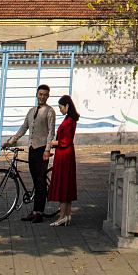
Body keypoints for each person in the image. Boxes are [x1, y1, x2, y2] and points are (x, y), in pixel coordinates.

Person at [4, 84, 56, 223]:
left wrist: (47, 150)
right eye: (40, 94)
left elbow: (51, 131)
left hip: (42, 149)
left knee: (40, 181)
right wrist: (11, 141)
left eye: (45, 94)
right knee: (35, 180)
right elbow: (24, 127)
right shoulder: (31, 111)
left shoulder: (50, 111)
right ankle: (34, 211)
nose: (42, 97)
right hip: (32, 148)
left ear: (48, 96)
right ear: (37, 94)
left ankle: (39, 212)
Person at [46, 94, 79, 226]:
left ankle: (62, 216)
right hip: (65, 153)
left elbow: (65, 141)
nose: (60, 110)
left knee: (63, 183)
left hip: (64, 154)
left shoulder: (69, 121)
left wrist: (52, 143)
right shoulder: (70, 119)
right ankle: (67, 215)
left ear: (67, 106)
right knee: (67, 183)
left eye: (61, 107)